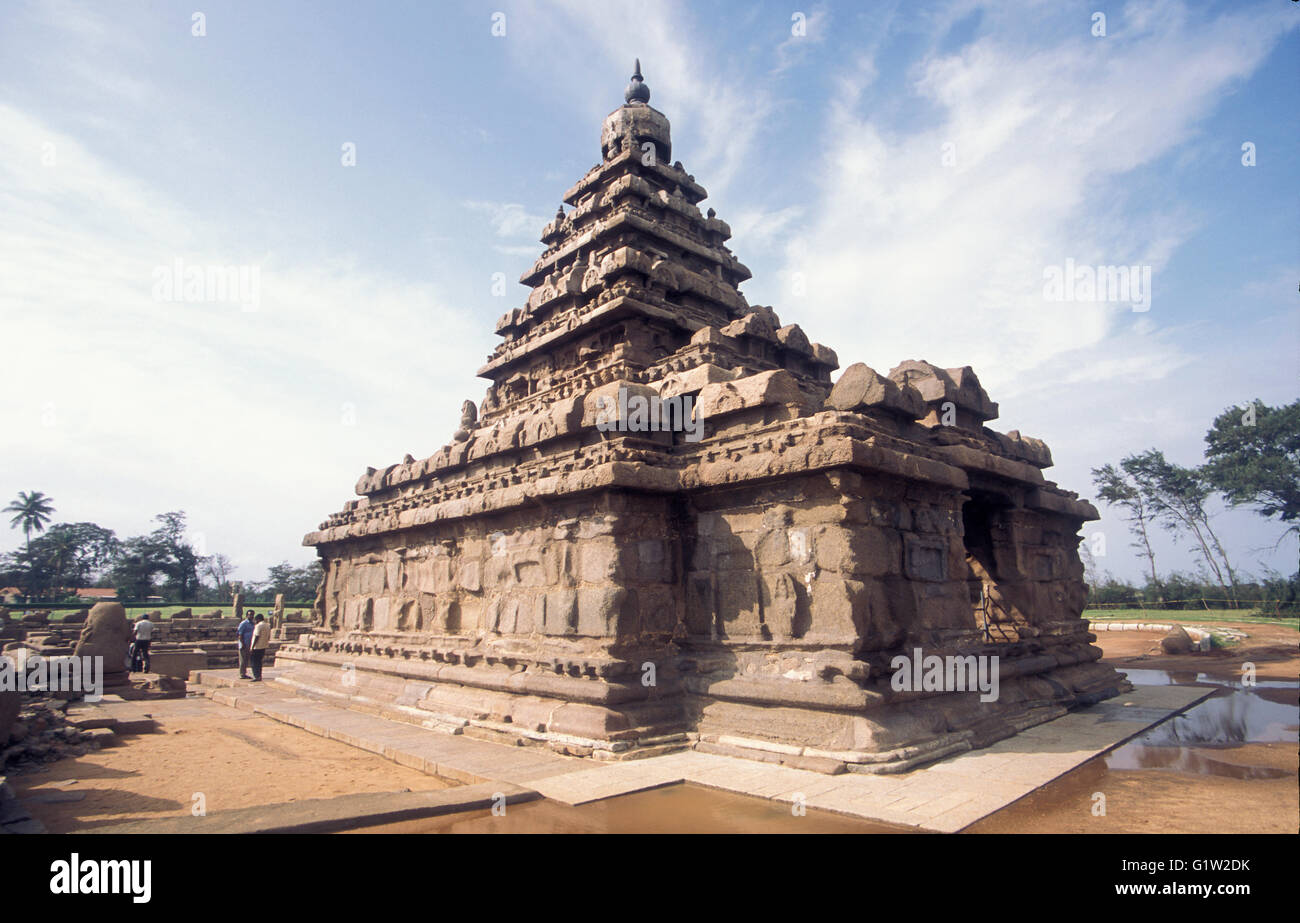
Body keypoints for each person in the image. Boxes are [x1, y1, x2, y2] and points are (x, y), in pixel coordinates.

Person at [249, 614, 270, 681]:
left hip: (257, 647)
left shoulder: (258, 626)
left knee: (254, 662)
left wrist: (252, 647)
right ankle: (259, 675)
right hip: (263, 646)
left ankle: (256, 676)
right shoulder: (267, 625)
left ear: (258, 619)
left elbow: (257, 636)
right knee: (259, 662)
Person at [237, 611, 255, 679]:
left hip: (250, 644)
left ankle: (244, 673)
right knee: (242, 660)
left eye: (252, 615)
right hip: (244, 644)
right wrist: (242, 644)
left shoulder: (252, 624)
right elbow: (240, 635)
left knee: (246, 659)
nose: (251, 616)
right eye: (250, 615)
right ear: (247, 615)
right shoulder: (243, 623)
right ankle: (242, 674)